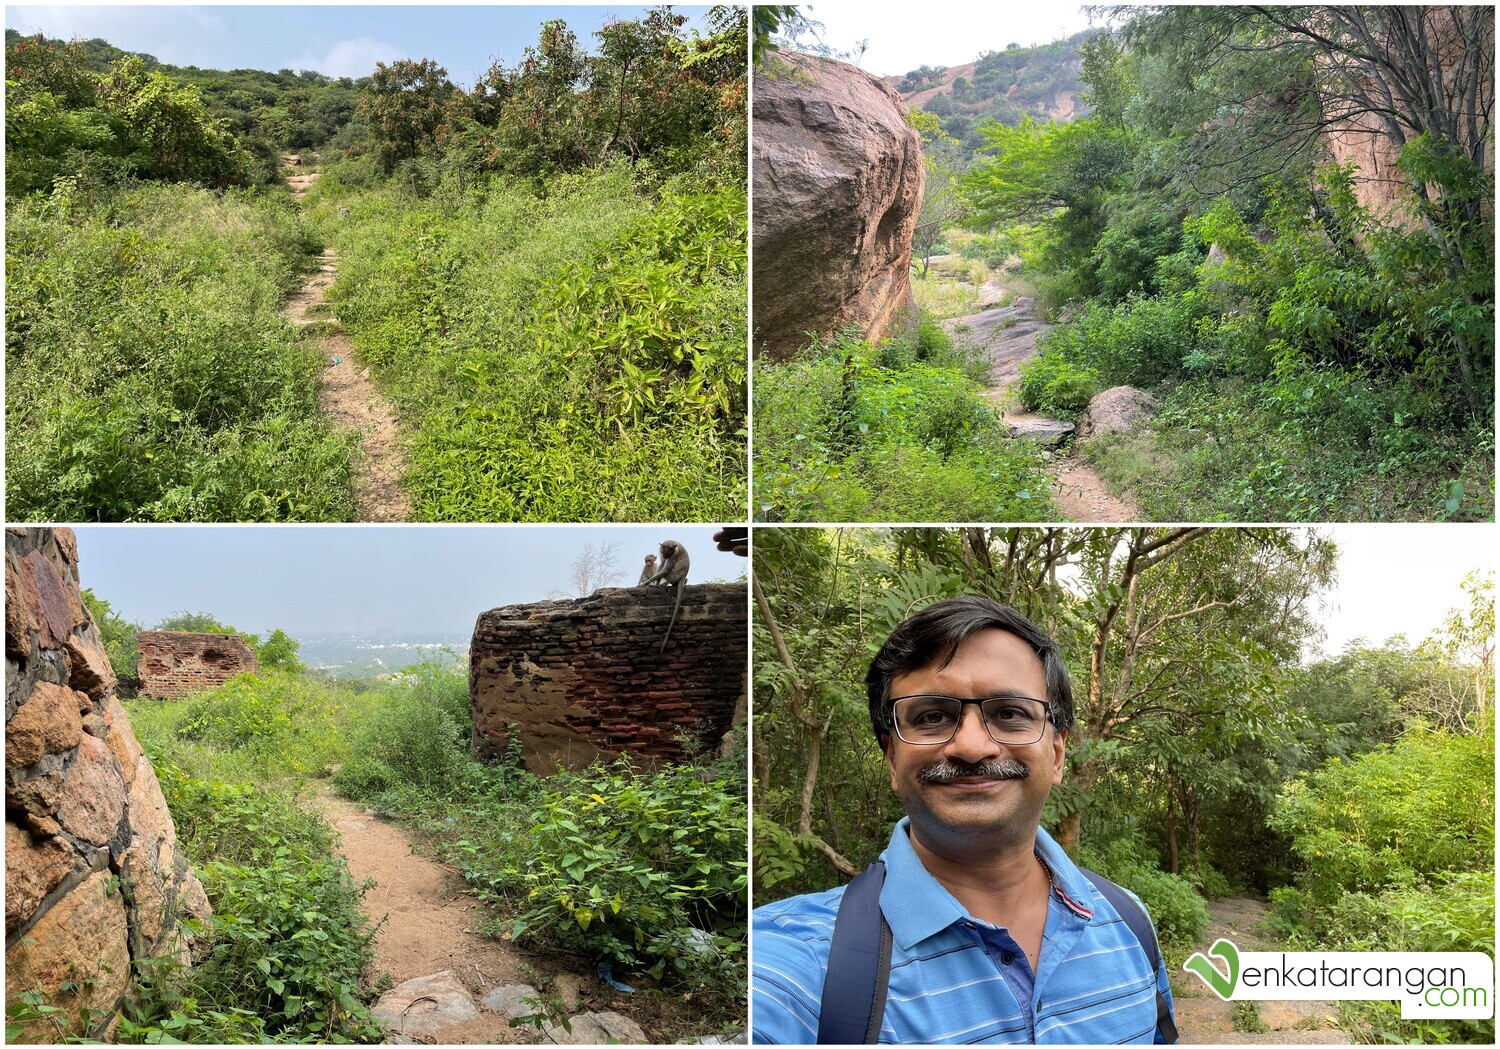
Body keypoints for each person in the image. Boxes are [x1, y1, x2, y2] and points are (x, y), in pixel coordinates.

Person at [752, 596, 1176, 1044]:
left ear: (1056, 753)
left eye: (1009, 714)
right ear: (892, 757)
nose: (972, 747)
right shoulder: (799, 962)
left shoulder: (1128, 919)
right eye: (932, 717)